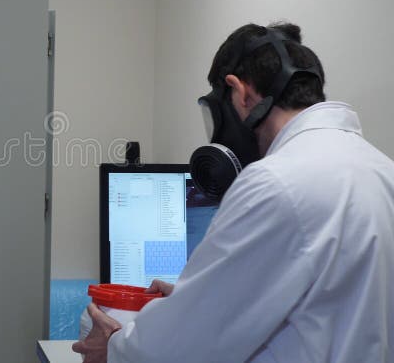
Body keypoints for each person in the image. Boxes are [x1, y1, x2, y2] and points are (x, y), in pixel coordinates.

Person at [73, 22, 394, 362]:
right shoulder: (382, 171)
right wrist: (192, 295)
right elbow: (326, 301)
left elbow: (183, 348)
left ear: (239, 92)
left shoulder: (275, 182)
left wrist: (111, 347)